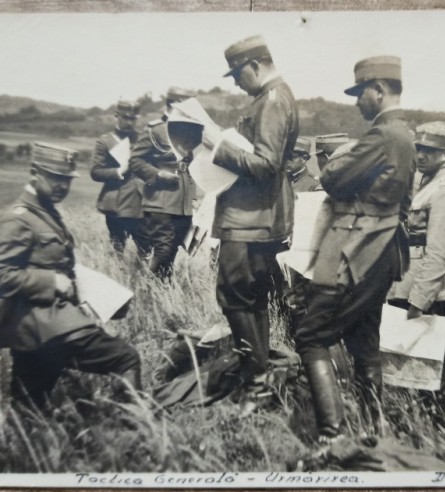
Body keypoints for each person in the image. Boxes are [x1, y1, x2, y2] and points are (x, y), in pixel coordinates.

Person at [293, 55, 414, 442]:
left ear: (378, 91)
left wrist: (341, 161)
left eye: (360, 93)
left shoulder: (383, 136)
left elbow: (332, 177)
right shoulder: (407, 136)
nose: (357, 102)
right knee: (364, 339)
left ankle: (333, 435)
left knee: (311, 337)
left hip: (352, 251)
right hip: (381, 256)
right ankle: (373, 427)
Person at [0, 142, 142, 409]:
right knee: (125, 359)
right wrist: (51, 282)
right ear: (34, 172)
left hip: (35, 333)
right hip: (50, 326)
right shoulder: (19, 219)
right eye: (54, 177)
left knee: (29, 411)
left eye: (66, 180)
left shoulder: (44, 213)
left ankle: (19, 447)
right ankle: (136, 426)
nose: (61, 187)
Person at [200, 35, 299, 415]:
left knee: (234, 295)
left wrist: (218, 148)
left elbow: (266, 164)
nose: (235, 82)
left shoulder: (272, 102)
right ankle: (259, 377)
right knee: (251, 297)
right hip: (256, 218)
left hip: (250, 220)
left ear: (254, 65)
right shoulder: (272, 98)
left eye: (237, 74)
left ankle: (256, 384)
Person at [386, 121, 445, 430]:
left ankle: (432, 429)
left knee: (429, 365)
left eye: (431, 151)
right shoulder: (425, 183)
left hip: (428, 290)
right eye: (419, 148)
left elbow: (439, 252)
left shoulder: (444, 191)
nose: (422, 156)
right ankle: (411, 423)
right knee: (406, 361)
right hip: (409, 283)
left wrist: (419, 300)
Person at [129, 87, 199, 280]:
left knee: (173, 250)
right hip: (161, 203)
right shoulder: (155, 129)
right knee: (163, 249)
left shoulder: (186, 130)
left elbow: (188, 166)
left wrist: (193, 198)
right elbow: (135, 161)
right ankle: (145, 288)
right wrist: (158, 174)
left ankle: (162, 290)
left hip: (183, 206)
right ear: (174, 104)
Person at [90, 100, 147, 257]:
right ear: (116, 115)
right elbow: (96, 171)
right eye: (125, 117)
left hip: (140, 203)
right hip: (116, 204)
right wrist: (119, 171)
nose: (129, 122)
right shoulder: (105, 141)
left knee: (145, 249)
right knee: (117, 249)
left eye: (133, 118)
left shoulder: (143, 138)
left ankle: (142, 280)